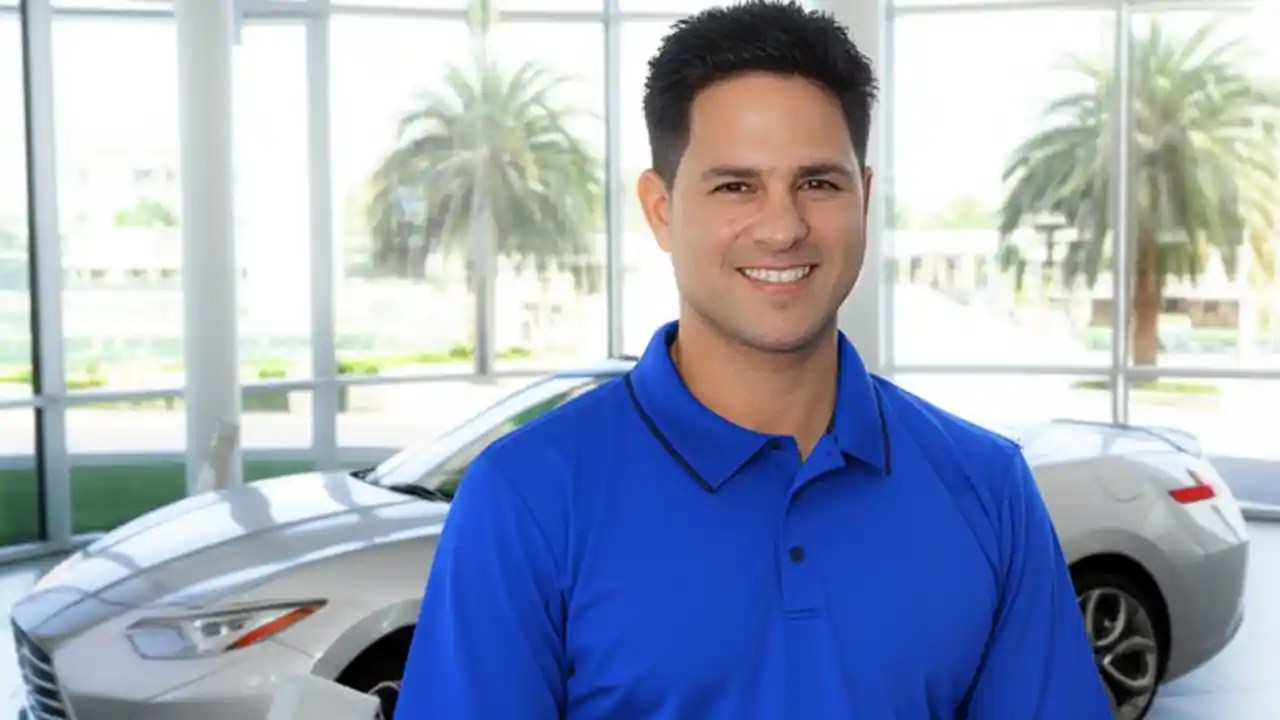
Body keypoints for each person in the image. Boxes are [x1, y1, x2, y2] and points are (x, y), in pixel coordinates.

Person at [395, 1, 1113, 718]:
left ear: (862, 198)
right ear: (661, 209)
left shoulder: (988, 488)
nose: (782, 227)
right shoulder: (526, 500)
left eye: (818, 183)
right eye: (736, 185)